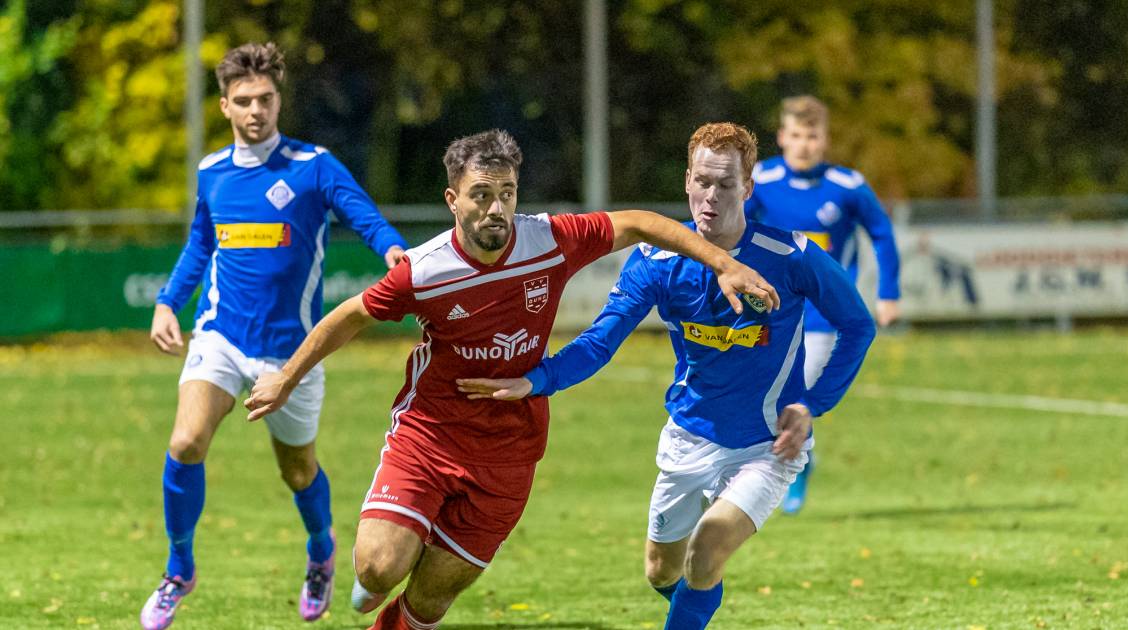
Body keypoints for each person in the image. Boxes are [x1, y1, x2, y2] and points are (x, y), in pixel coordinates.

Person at [242, 129, 778, 630]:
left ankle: (413, 561)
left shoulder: (547, 240)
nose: (496, 208)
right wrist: (286, 378)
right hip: (430, 436)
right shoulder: (424, 271)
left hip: (509, 450)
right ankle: (395, 549)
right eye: (480, 194)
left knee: (429, 600)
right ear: (453, 201)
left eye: (507, 192)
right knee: (379, 567)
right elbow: (352, 314)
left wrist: (720, 263)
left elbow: (640, 221)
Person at [457, 122, 876, 629]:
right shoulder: (656, 262)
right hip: (687, 438)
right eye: (702, 181)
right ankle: (693, 612)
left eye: (725, 184)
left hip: (765, 446)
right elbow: (600, 341)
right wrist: (538, 380)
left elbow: (857, 325)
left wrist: (812, 404)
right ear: (686, 180)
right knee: (661, 572)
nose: (711, 196)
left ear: (747, 187)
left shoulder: (792, 257)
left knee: (706, 550)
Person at [142, 42, 407, 629]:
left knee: (297, 470)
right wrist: (167, 302)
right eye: (244, 101)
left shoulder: (313, 166)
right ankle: (179, 567)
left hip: (293, 353)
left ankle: (320, 550)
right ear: (225, 106)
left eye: (265, 98)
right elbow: (200, 247)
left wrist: (391, 248)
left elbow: (360, 212)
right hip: (221, 337)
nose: (256, 110)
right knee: (185, 442)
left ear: (278, 99)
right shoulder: (212, 174)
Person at [745, 95, 901, 513]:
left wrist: (888, 293)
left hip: (822, 314)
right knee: (762, 393)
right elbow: (732, 225)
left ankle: (796, 466)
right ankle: (786, 461)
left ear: (824, 140)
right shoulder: (760, 179)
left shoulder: (847, 186)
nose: (803, 145)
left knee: (797, 395)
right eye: (796, 135)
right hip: (770, 307)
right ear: (781, 137)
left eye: (812, 136)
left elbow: (881, 234)